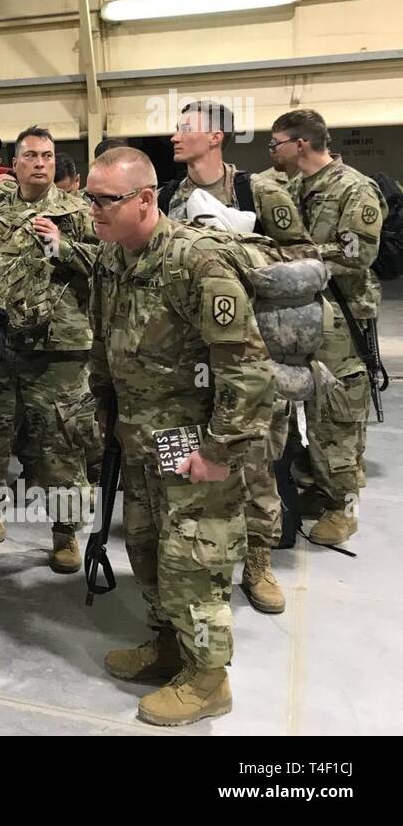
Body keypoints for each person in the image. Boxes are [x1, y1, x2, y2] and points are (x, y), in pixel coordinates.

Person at [87, 147, 275, 726]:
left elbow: (246, 368)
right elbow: (105, 348)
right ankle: (171, 646)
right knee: (147, 549)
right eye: (88, 198)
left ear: (145, 199)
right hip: (142, 440)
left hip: (193, 443)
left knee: (194, 558)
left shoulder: (197, 263)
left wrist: (218, 453)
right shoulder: (113, 259)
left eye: (104, 199)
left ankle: (208, 679)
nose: (92, 209)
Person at [164, 100, 313, 609]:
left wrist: (239, 243)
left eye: (187, 128)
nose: (176, 136)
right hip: (188, 356)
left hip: (249, 353)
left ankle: (258, 561)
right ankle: (197, 566)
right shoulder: (169, 198)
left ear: (217, 137)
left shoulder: (260, 191)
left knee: (254, 459)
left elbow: (305, 260)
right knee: (191, 460)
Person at [0, 126, 98, 573]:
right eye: (31, 156)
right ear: (16, 162)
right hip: (2, 346)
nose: (41, 163)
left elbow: (109, 264)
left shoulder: (79, 213)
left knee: (59, 443)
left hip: (58, 350)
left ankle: (65, 533)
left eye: (47, 155)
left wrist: (63, 248)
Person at [269, 108, 385, 546]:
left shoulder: (354, 188)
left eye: (275, 143)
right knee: (304, 403)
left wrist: (294, 257)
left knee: (338, 408)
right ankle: (319, 482)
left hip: (343, 315)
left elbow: (356, 254)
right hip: (302, 315)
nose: (272, 152)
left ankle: (343, 503)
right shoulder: (295, 188)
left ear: (300, 143)